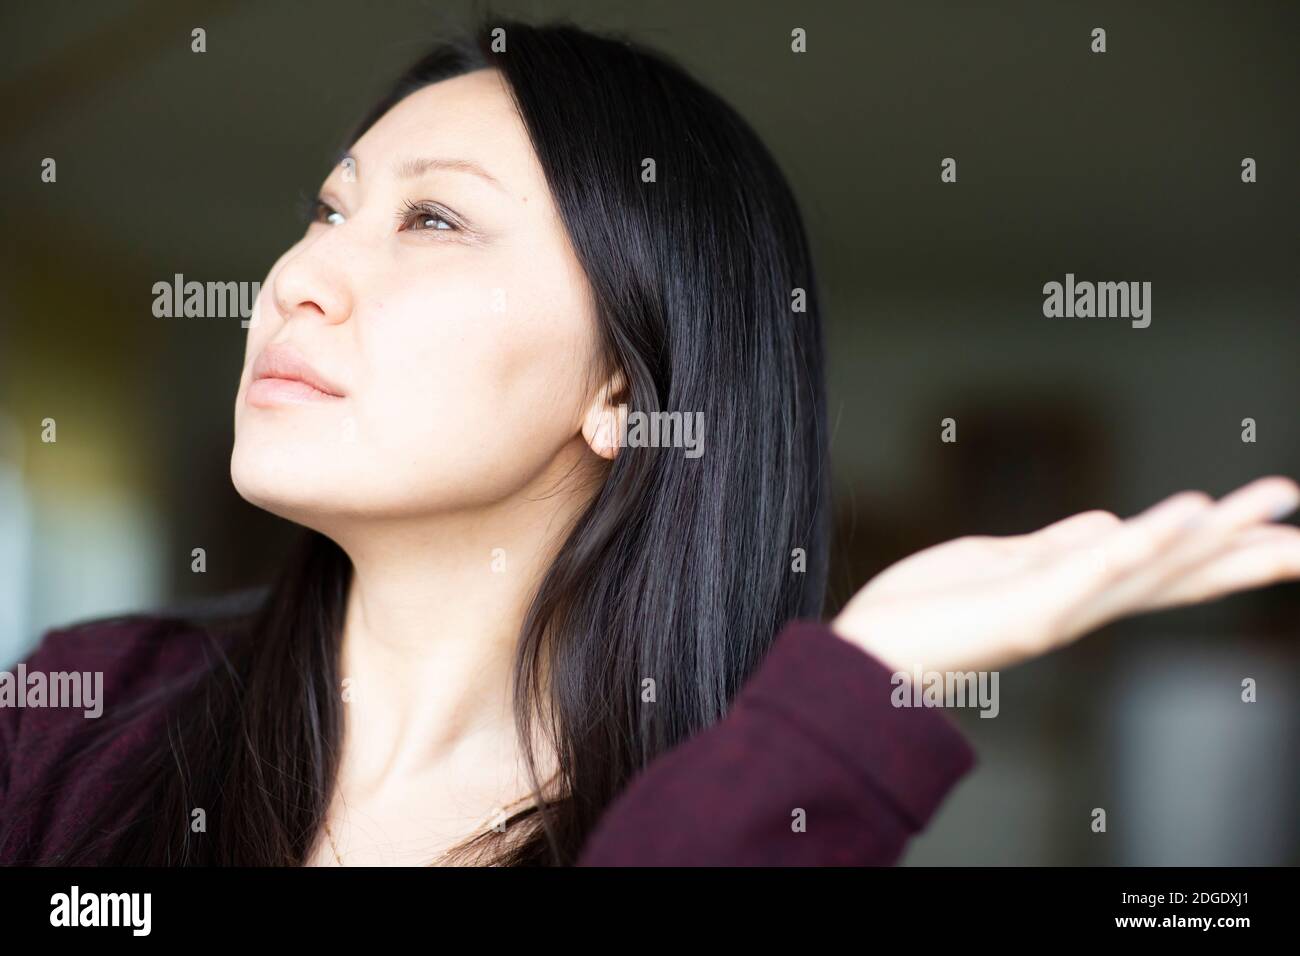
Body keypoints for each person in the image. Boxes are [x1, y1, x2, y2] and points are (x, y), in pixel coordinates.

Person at [2, 20, 1298, 867]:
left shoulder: (767, 819)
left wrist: (870, 683)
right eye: (327, 210)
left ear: (624, 388)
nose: (299, 278)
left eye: (434, 220)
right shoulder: (86, 709)